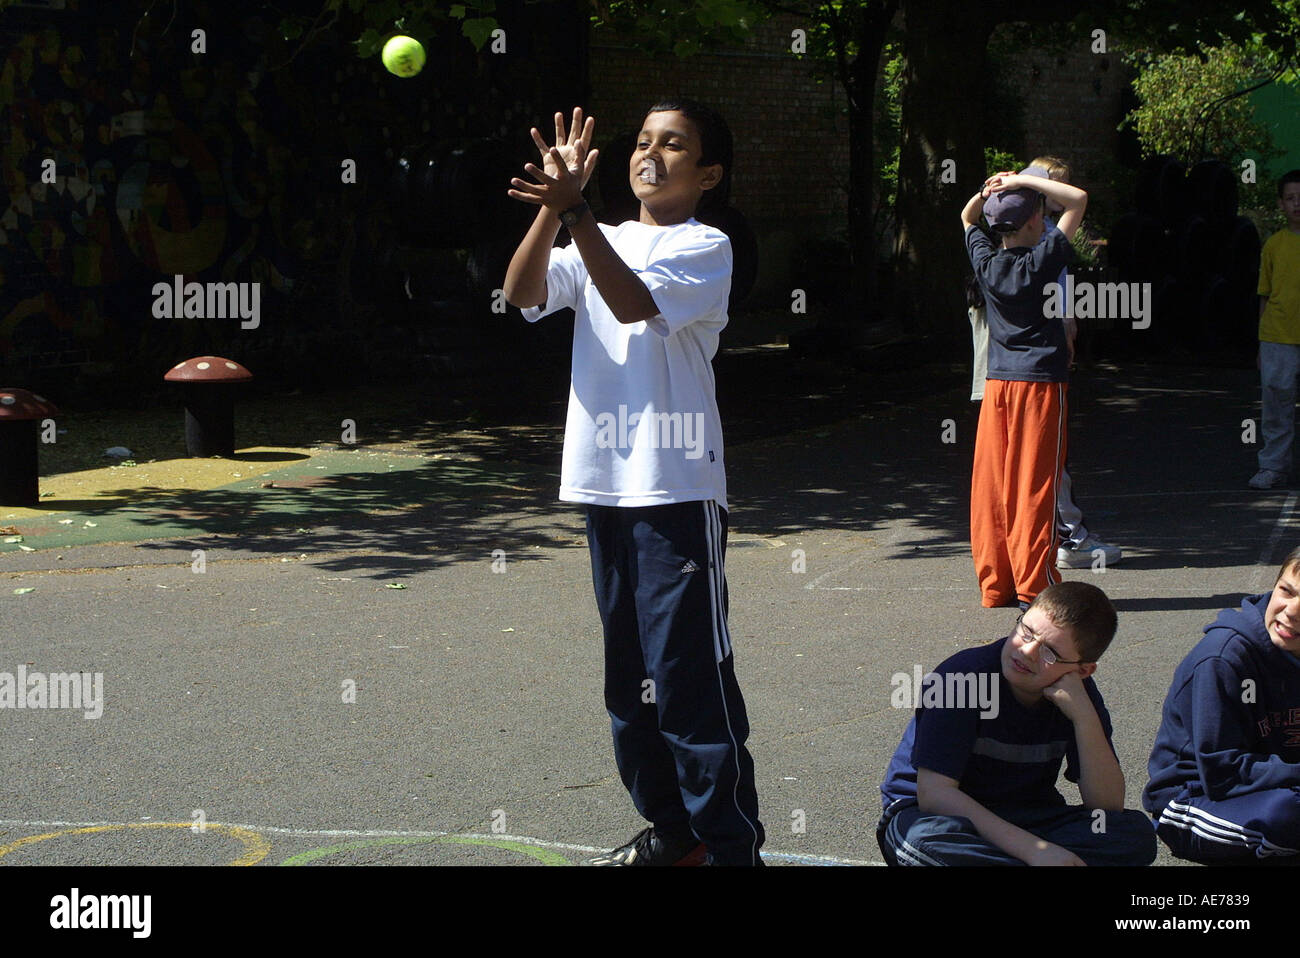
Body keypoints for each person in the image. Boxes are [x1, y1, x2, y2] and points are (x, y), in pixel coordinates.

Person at [501, 100, 764, 866]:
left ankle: (728, 846)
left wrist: (576, 213)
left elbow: (632, 302)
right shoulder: (598, 235)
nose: (651, 153)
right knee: (630, 686)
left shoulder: (706, 246)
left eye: (673, 144)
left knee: (689, 684)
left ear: (707, 173)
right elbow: (521, 293)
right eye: (642, 141)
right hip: (603, 488)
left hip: (676, 490)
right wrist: (557, 213)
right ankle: (672, 833)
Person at [877, 581, 1156, 866]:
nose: (1027, 651)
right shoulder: (960, 678)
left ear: (1082, 670)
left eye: (1049, 652)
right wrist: (1034, 850)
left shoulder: (1078, 694)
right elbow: (934, 795)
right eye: (1027, 631)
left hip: (1028, 815)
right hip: (939, 816)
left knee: (1131, 833)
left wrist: (1084, 717)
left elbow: (1106, 806)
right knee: (921, 841)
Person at [962, 167, 1086, 609]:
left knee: (992, 485)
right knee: (1034, 485)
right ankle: (1035, 584)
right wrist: (1025, 183)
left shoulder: (987, 261)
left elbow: (966, 216)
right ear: (1035, 221)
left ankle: (996, 584)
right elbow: (1077, 199)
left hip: (998, 385)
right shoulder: (1042, 258)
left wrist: (988, 188)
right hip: (1040, 386)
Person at [1143, 547, 1300, 863]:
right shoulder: (1224, 658)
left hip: (1277, 785)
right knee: (1288, 816)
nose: (1291, 611)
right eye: (1286, 591)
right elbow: (1222, 774)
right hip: (1195, 801)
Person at [1249, 169, 1300, 490]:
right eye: (1291, 198)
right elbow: (1264, 295)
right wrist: (1260, 343)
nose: (1297, 205)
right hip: (1278, 337)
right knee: (1277, 407)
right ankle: (1273, 466)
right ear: (1281, 204)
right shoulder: (1274, 245)